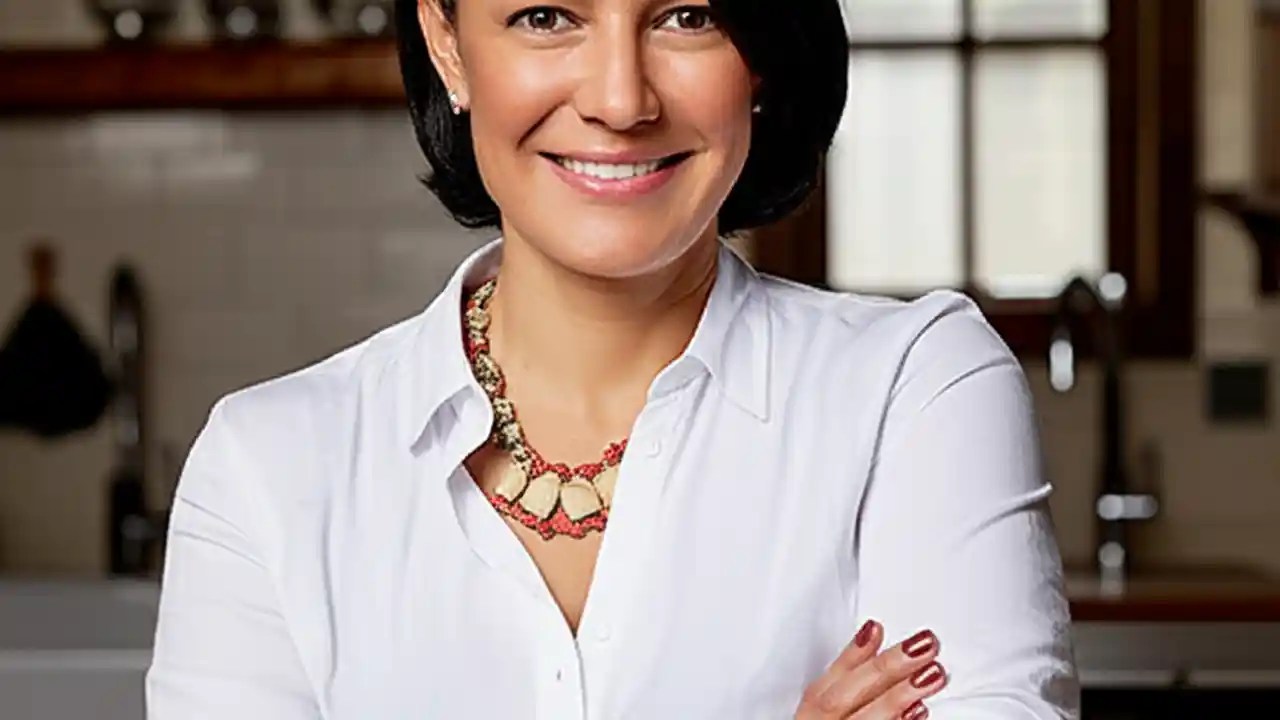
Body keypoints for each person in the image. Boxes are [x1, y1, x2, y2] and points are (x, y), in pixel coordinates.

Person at [146, 0, 1079, 717]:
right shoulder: (265, 466)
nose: (621, 100)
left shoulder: (915, 391)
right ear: (447, 41)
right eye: (547, 17)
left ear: (762, 52)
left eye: (687, 16)